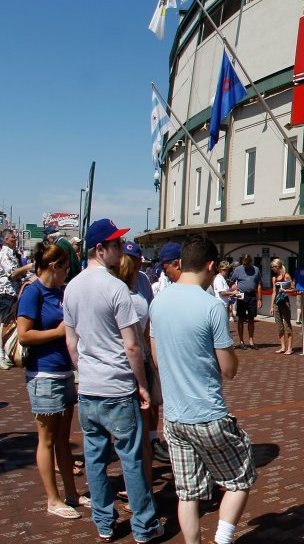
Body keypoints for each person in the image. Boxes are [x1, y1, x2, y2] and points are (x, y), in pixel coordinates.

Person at [150, 235, 256, 544]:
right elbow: (228, 368)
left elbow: (156, 358)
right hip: (207, 414)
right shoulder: (211, 307)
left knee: (188, 491)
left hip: (174, 417)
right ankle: (222, 539)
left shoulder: (158, 303)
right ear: (211, 265)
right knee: (240, 477)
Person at [63, 218, 162, 544]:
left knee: (95, 458)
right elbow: (132, 344)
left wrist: (83, 373)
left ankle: (104, 523)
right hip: (119, 388)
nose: (121, 249)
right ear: (100, 249)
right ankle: (144, 527)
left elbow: (72, 343)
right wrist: (142, 384)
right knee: (131, 459)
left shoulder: (73, 287)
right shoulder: (116, 287)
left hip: (89, 389)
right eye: (116, 245)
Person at [17, 241, 87, 519]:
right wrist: (58, 333)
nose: (67, 274)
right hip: (43, 373)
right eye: (65, 268)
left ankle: (71, 493)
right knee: (46, 438)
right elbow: (24, 334)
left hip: (64, 371)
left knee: (62, 437)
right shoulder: (33, 293)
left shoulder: (60, 291)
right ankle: (52, 498)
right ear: (54, 266)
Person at [117, 245, 168, 478]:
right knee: (130, 422)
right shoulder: (115, 285)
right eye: (135, 261)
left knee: (148, 410)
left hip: (143, 356)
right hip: (122, 362)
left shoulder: (143, 282)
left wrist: (152, 354)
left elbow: (149, 321)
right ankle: (136, 480)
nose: (138, 266)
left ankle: (143, 473)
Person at [1, 227, 34, 369]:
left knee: (9, 323)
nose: (15, 240)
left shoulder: (13, 253)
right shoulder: (4, 253)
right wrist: (29, 266)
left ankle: (9, 352)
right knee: (3, 323)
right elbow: (12, 274)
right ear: (6, 239)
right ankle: (1, 355)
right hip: (5, 292)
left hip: (14, 292)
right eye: (13, 238)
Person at [229, 255, 262, 349]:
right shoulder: (238, 270)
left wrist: (260, 299)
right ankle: (241, 341)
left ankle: (251, 341)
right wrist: (235, 289)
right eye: (244, 264)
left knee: (251, 319)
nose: (245, 266)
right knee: (241, 319)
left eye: (247, 264)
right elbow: (231, 283)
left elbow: (259, 284)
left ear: (250, 262)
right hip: (241, 296)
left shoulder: (256, 270)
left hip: (252, 296)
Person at [269, 258, 295, 355]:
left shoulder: (286, 276)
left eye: (273, 267)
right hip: (277, 303)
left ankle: (290, 348)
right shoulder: (274, 278)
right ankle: (283, 346)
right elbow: (273, 292)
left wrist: (286, 291)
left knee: (287, 324)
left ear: (278, 266)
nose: (272, 269)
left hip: (284, 302)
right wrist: (271, 306)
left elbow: (293, 289)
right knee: (279, 326)